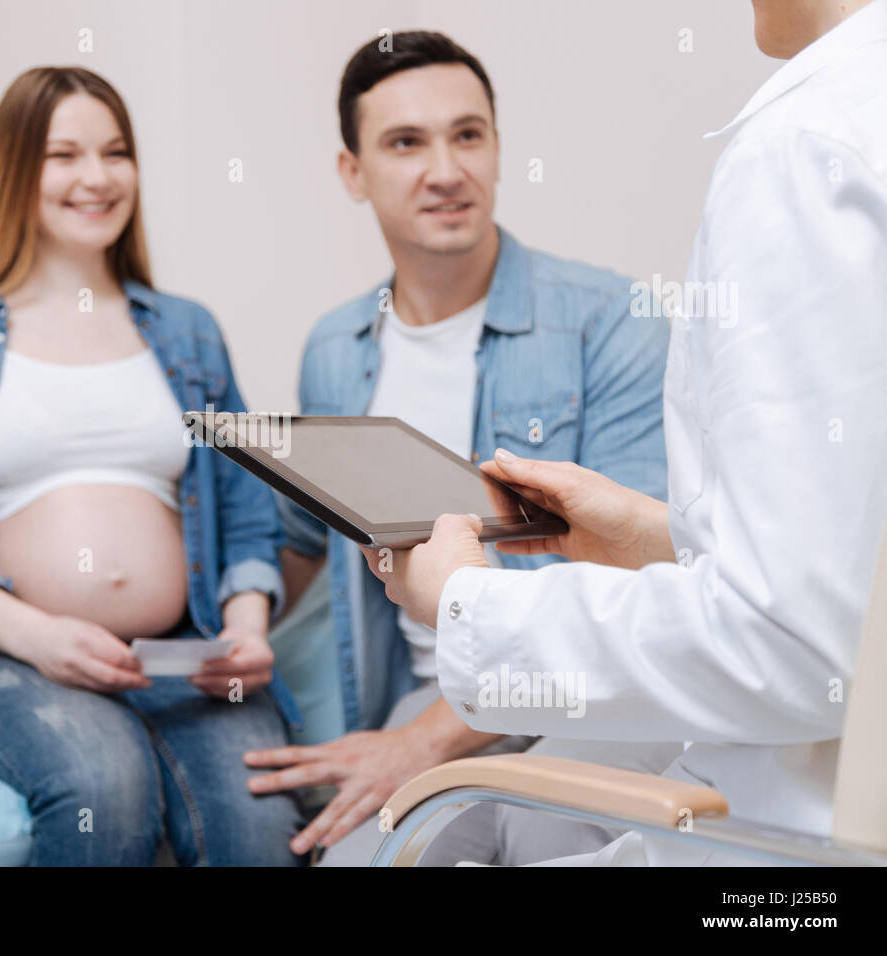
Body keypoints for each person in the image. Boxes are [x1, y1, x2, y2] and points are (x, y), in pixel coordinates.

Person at [364, 0, 887, 865]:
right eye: (406, 143)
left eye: (467, 135)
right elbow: (847, 572)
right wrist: (657, 538)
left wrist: (467, 605)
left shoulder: (805, 146)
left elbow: (788, 643)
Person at [244, 31, 681, 864]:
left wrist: (423, 745)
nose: (446, 170)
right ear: (353, 172)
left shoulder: (613, 320)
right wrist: (224, 623)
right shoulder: (334, 350)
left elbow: (638, 579)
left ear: (498, 149)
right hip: (432, 693)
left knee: (544, 834)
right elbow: (302, 541)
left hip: (585, 692)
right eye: (406, 143)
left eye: (468, 135)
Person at [0, 66, 304, 866]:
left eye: (116, 152)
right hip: (5, 659)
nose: (98, 177)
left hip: (179, 656)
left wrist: (246, 630)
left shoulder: (188, 334)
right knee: (104, 786)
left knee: (258, 823)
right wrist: (41, 638)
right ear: (16, 173)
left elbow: (249, 515)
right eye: (64, 155)